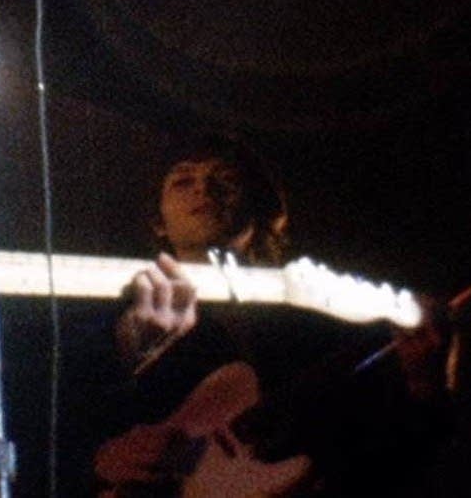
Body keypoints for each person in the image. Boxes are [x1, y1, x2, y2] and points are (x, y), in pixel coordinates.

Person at [68, 131, 453, 496]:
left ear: (258, 208)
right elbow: (49, 420)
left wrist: (423, 385)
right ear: (159, 221)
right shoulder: (123, 313)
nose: (204, 188)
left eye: (225, 179)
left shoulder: (321, 316)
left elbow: (388, 457)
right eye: (183, 181)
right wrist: (98, 461)